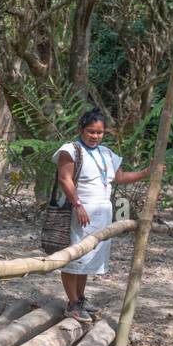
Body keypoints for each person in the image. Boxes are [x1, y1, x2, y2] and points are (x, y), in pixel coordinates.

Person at [53, 108, 150, 322]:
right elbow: (64, 178)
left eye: (100, 132)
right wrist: (77, 204)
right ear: (81, 130)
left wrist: (145, 173)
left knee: (88, 258)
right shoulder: (71, 150)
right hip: (79, 212)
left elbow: (120, 177)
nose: (95, 136)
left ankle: (80, 298)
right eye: (91, 132)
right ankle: (72, 303)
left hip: (101, 214)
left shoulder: (106, 153)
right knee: (74, 257)